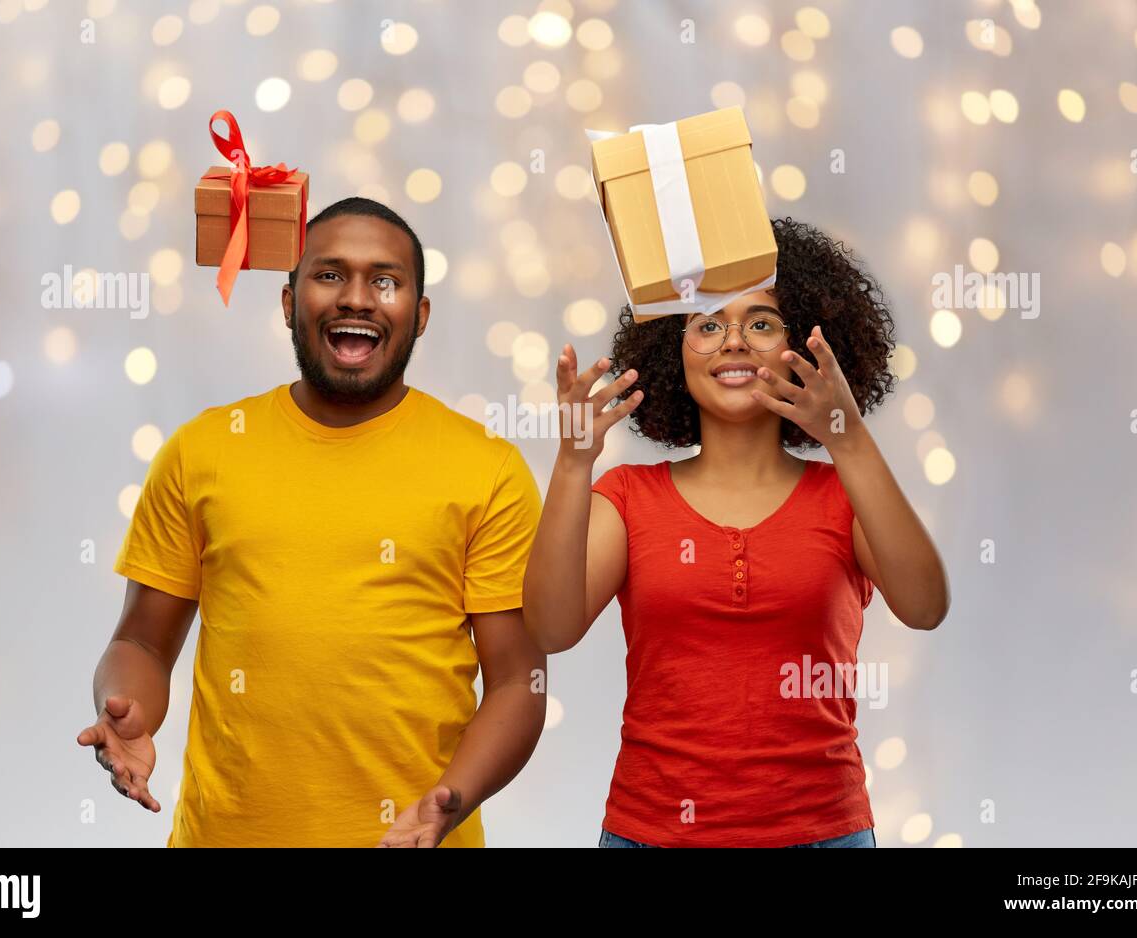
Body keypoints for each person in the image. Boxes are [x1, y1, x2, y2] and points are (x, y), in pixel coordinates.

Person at [77, 197, 547, 847]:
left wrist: (447, 803)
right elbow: (142, 643)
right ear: (288, 301)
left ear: (421, 314)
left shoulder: (488, 470)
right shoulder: (203, 450)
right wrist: (126, 710)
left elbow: (519, 681)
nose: (357, 297)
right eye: (329, 275)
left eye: (385, 280)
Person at [524, 217, 950, 848]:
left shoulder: (844, 497)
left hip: (822, 833)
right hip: (653, 833)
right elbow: (552, 627)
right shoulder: (628, 499)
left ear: (803, 347)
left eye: (760, 323)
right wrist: (571, 464)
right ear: (673, 349)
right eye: (707, 324)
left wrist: (848, 437)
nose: (733, 342)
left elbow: (925, 607)